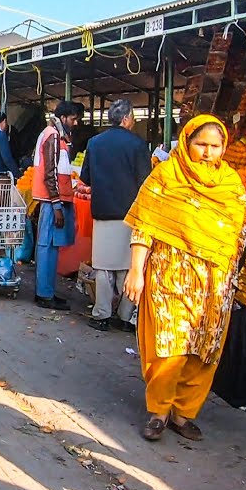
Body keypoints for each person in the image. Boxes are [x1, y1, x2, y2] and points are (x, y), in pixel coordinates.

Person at [123, 115, 246, 442]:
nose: (209, 152)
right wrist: (136, 270)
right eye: (201, 145)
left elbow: (243, 233)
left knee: (204, 350)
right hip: (171, 277)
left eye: (216, 146)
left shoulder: (231, 184)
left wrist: (243, 281)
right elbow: (145, 226)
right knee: (170, 348)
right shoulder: (166, 176)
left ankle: (184, 414)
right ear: (186, 142)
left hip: (216, 285)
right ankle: (159, 411)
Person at [81, 99, 152, 332]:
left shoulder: (95, 142)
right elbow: (146, 182)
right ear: (126, 119)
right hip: (130, 213)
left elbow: (86, 179)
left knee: (103, 267)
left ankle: (101, 314)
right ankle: (124, 317)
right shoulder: (138, 145)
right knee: (127, 267)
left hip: (102, 212)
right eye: (133, 118)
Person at [31, 101, 81, 309]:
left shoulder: (55, 134)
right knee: (46, 246)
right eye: (73, 119)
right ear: (63, 118)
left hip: (52, 199)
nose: (75, 123)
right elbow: (50, 173)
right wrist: (57, 205)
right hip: (52, 200)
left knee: (50, 247)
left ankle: (47, 291)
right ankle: (44, 294)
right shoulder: (52, 135)